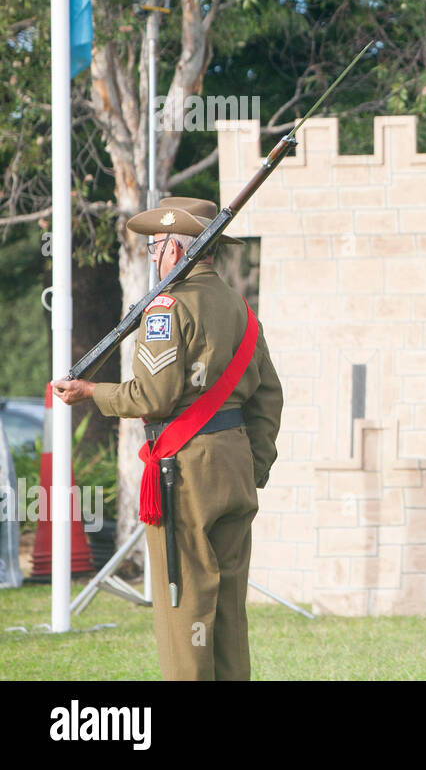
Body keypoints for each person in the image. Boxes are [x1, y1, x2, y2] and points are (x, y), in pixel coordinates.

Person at [54, 197, 282, 681]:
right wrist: (253, 466)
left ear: (175, 251)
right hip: (234, 467)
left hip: (186, 472)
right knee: (227, 609)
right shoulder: (241, 309)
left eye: (154, 247)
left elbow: (154, 396)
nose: (152, 257)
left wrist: (92, 392)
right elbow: (268, 398)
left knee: (184, 606)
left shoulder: (167, 307)